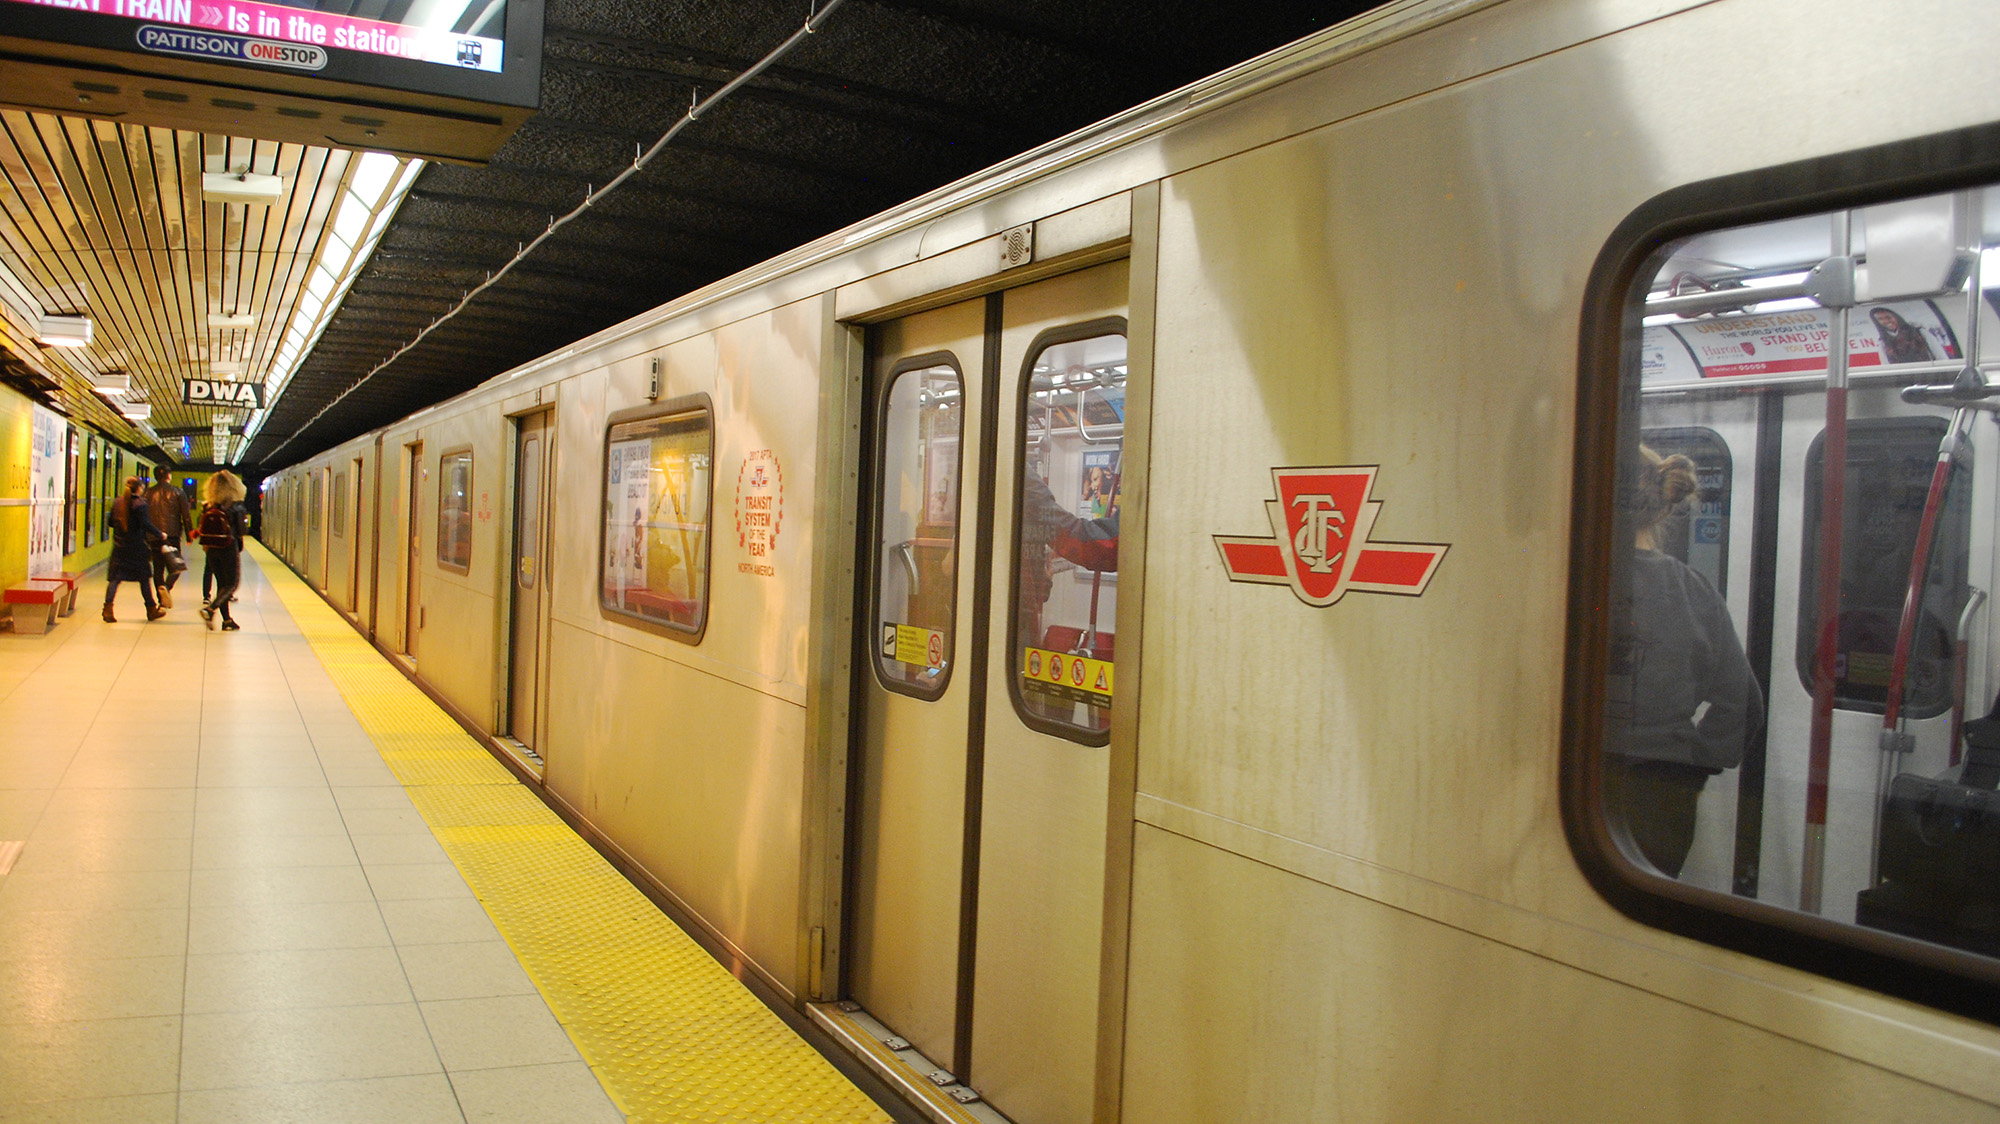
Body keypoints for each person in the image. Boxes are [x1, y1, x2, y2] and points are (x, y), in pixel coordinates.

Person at [1606, 447, 1763, 877]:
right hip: (1665, 804)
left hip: (1581, 786)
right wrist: (1691, 766)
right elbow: (1743, 702)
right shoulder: (1694, 589)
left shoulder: (1575, 580)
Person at [104, 476, 165, 623]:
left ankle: (107, 610)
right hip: (137, 547)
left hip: (119, 547)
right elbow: (145, 524)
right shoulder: (140, 504)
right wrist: (160, 534)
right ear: (139, 488)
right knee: (144, 579)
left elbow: (111, 522)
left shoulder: (117, 502)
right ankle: (151, 610)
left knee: (115, 579)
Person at [197, 471, 248, 631]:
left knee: (222, 584)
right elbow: (242, 530)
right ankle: (210, 609)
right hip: (228, 547)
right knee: (232, 584)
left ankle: (226, 621)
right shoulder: (236, 505)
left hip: (211, 548)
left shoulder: (208, 505)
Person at [144, 464, 193, 607]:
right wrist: (189, 535)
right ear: (169, 476)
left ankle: (161, 599)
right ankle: (166, 587)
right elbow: (186, 515)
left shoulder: (147, 493)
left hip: (154, 535)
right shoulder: (178, 492)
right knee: (177, 566)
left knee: (158, 568)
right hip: (172, 535)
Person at [1871, 306, 1936, 365]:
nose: (1886, 321)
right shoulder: (1882, 342)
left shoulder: (1920, 332)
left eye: (1888, 317)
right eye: (1880, 319)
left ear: (1896, 316)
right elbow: (1886, 366)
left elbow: (1941, 355)